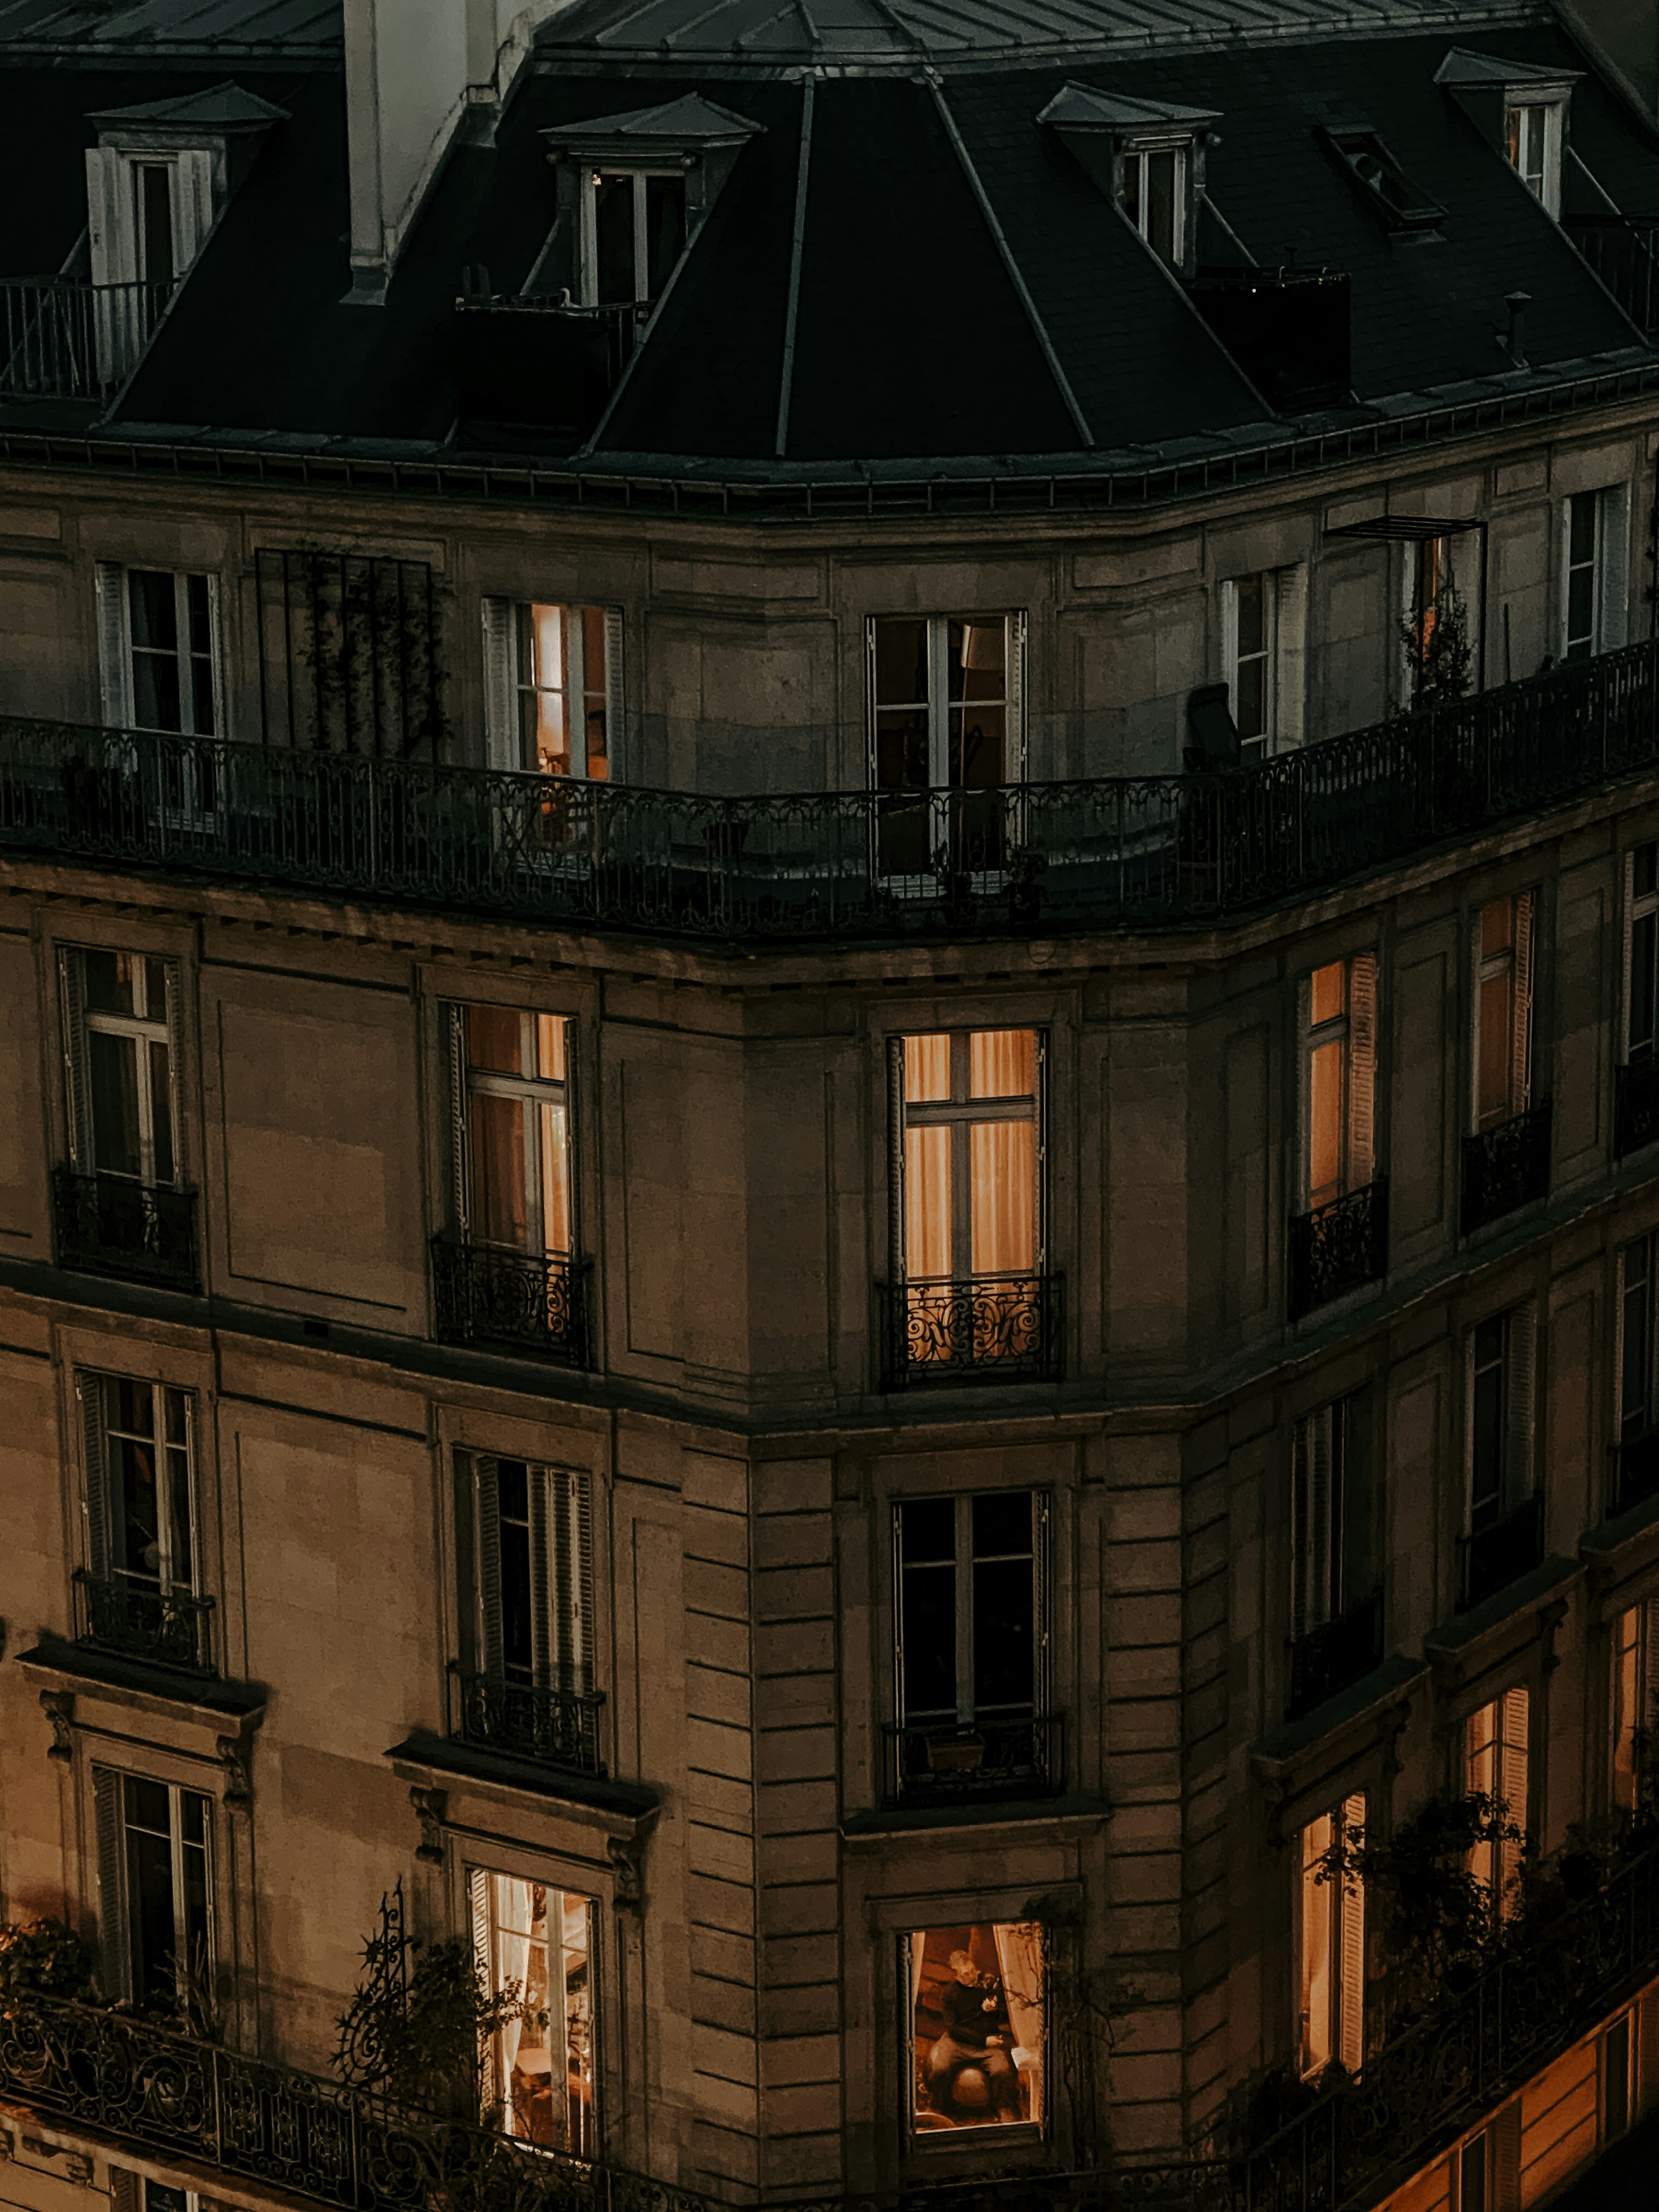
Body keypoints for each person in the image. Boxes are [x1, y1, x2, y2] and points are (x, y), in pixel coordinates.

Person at [923, 1948, 1024, 2124]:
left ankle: (1004, 2107)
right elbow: (953, 2028)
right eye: (965, 1975)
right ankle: (938, 2105)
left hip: (987, 2044)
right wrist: (983, 2040)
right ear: (956, 1975)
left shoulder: (986, 1985)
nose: (972, 1977)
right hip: (957, 2042)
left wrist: (994, 2009)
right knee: (938, 2068)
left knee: (1003, 2070)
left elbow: (1004, 2017)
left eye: (973, 1971)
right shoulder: (949, 1994)